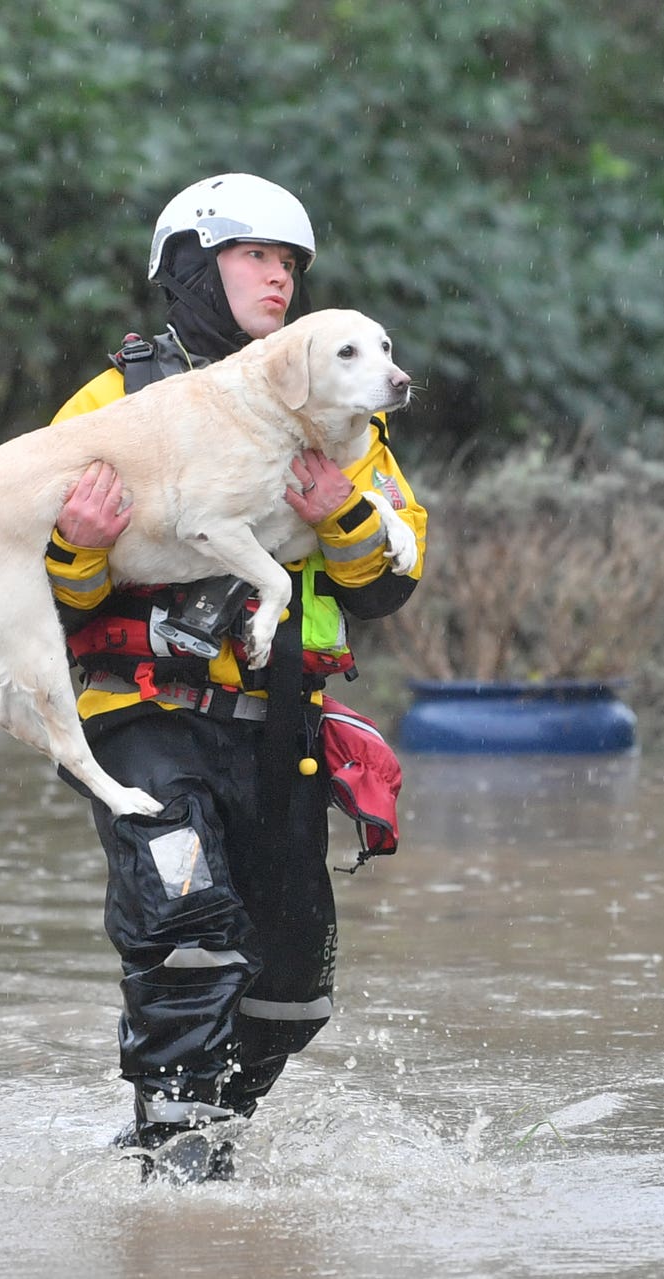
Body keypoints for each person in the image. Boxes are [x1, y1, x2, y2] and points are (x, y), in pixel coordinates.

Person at [45, 173, 427, 1182]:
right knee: (188, 932)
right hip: (139, 715)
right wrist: (78, 544)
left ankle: (201, 1120)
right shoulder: (114, 400)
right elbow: (40, 585)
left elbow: (391, 579)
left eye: (290, 262)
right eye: (254, 255)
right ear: (189, 270)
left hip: (276, 724)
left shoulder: (338, 408)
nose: (277, 277)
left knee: (292, 989)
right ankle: (175, 1165)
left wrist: (339, 510)